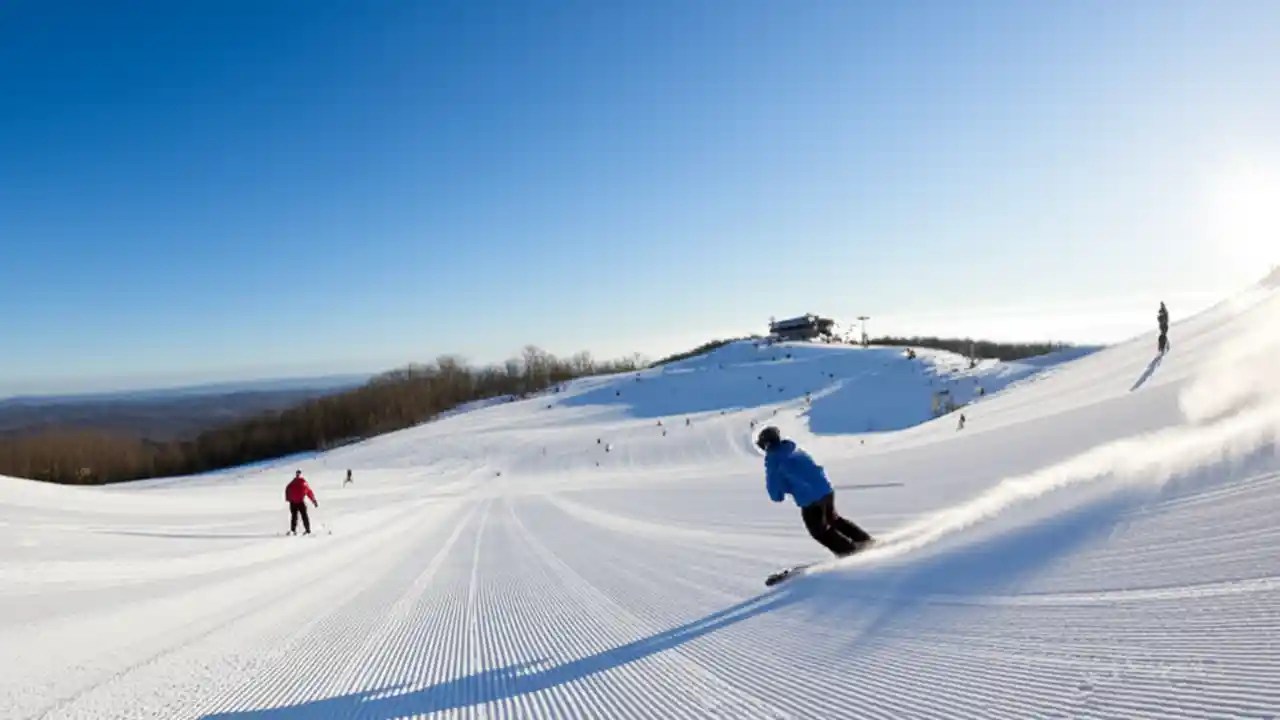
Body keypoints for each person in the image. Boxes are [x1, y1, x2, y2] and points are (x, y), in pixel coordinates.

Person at [757, 427, 873, 556]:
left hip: (810, 499)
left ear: (767, 444)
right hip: (826, 491)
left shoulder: (774, 459)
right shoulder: (793, 448)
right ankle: (864, 541)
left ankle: (849, 552)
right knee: (833, 519)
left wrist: (778, 494)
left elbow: (774, 488)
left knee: (819, 531)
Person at [285, 470, 318, 535]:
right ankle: (307, 530)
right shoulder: (303, 482)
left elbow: (287, 490)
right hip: (300, 502)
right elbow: (309, 492)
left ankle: (293, 530)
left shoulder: (292, 483)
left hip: (293, 503)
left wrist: (288, 499)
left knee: (294, 517)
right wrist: (314, 500)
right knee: (304, 516)